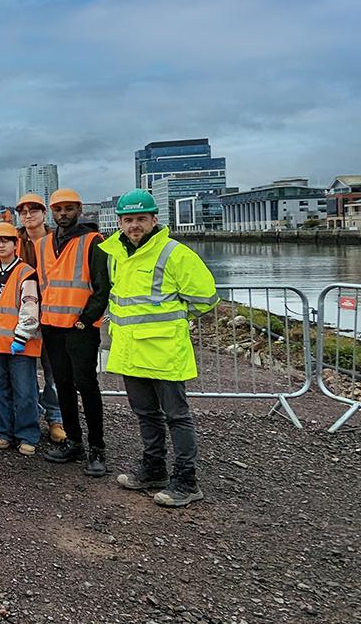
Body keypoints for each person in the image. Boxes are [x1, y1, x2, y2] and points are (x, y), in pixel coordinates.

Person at [102, 189, 218, 508]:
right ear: (120, 223)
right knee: (145, 414)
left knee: (177, 417)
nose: (135, 225)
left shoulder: (173, 253)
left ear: (155, 219)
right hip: (129, 350)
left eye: (141, 219)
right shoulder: (115, 255)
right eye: (129, 220)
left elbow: (206, 298)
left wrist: (174, 320)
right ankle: (153, 468)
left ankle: (186, 479)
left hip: (165, 351)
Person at [36, 189, 111, 476]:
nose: (63, 214)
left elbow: (102, 288)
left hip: (80, 328)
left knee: (87, 385)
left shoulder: (93, 241)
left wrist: (85, 319)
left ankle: (97, 447)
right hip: (52, 326)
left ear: (79, 209)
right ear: (52, 212)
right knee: (63, 386)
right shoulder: (44, 244)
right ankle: (73, 440)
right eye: (58, 209)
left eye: (68, 208)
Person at [0, 223, 42, 455]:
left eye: (6, 240)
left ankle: (27, 434)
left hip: (20, 345)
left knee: (24, 392)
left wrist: (21, 336)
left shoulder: (26, 272)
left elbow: (30, 307)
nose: (1, 245)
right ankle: (3, 432)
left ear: (15, 243)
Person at [16, 193, 66, 444]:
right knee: (25, 374)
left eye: (33, 210)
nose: (28, 215)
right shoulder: (14, 241)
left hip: (53, 315)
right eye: (23, 211)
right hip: (23, 317)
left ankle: (56, 419)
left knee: (54, 371)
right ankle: (32, 417)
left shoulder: (57, 240)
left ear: (44, 214)